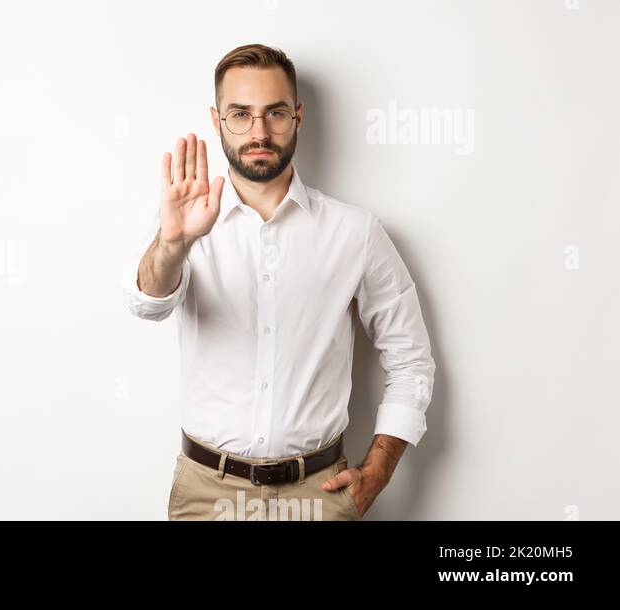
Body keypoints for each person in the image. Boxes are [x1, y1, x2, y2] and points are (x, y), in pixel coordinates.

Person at [123, 44, 436, 521]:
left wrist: (377, 473)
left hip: (320, 492)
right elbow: (148, 304)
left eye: (275, 113)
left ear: (299, 116)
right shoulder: (183, 226)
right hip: (207, 495)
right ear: (216, 119)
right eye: (240, 114)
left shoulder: (355, 232)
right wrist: (173, 244)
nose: (259, 132)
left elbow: (411, 358)